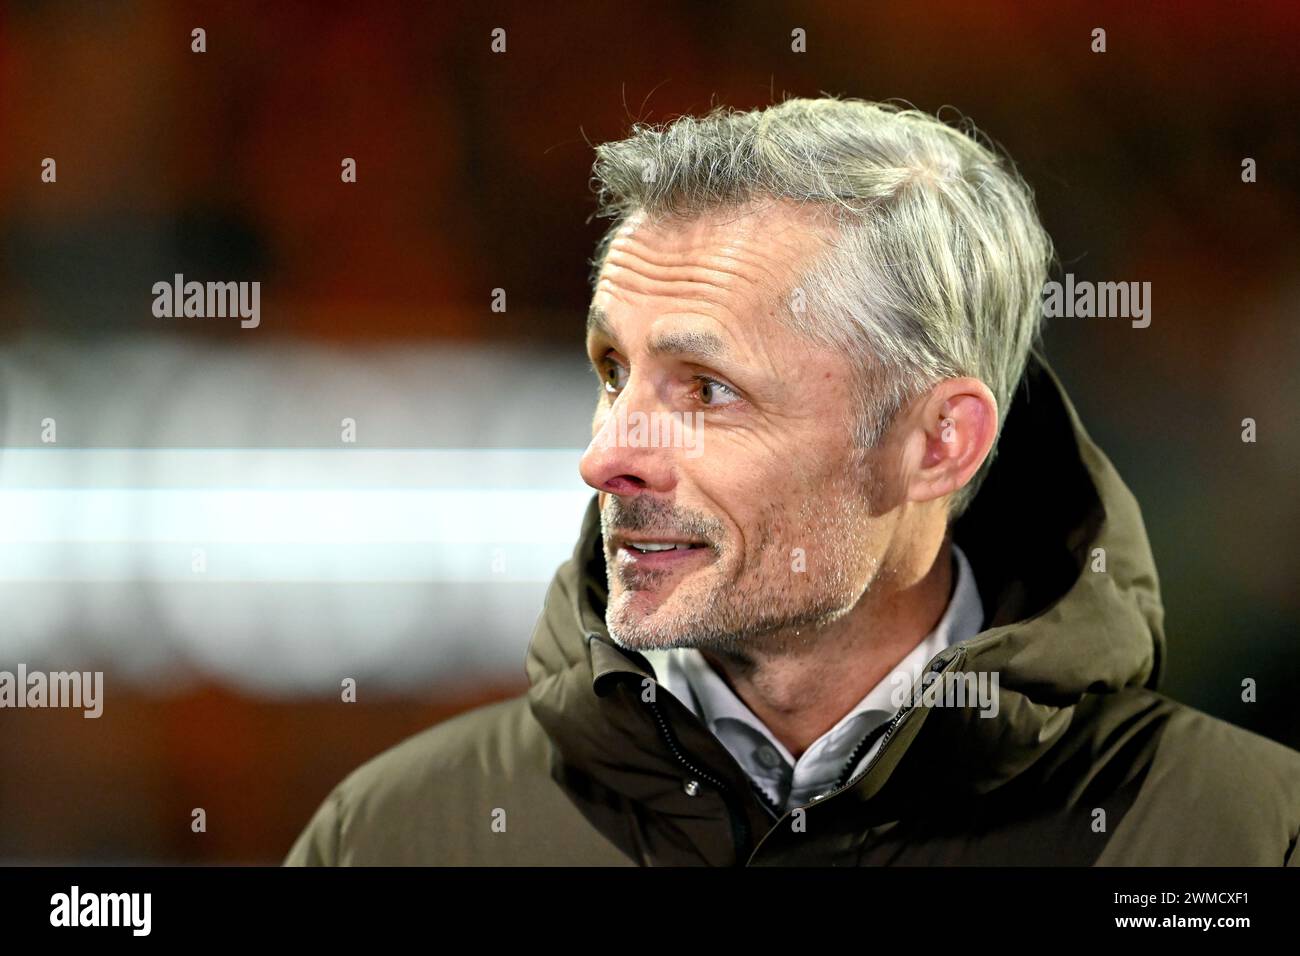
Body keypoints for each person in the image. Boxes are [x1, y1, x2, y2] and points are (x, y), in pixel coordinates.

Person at [285, 98, 1300, 866]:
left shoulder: (1241, 835)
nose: (604, 455)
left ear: (937, 442)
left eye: (709, 389)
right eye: (611, 370)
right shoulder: (393, 835)